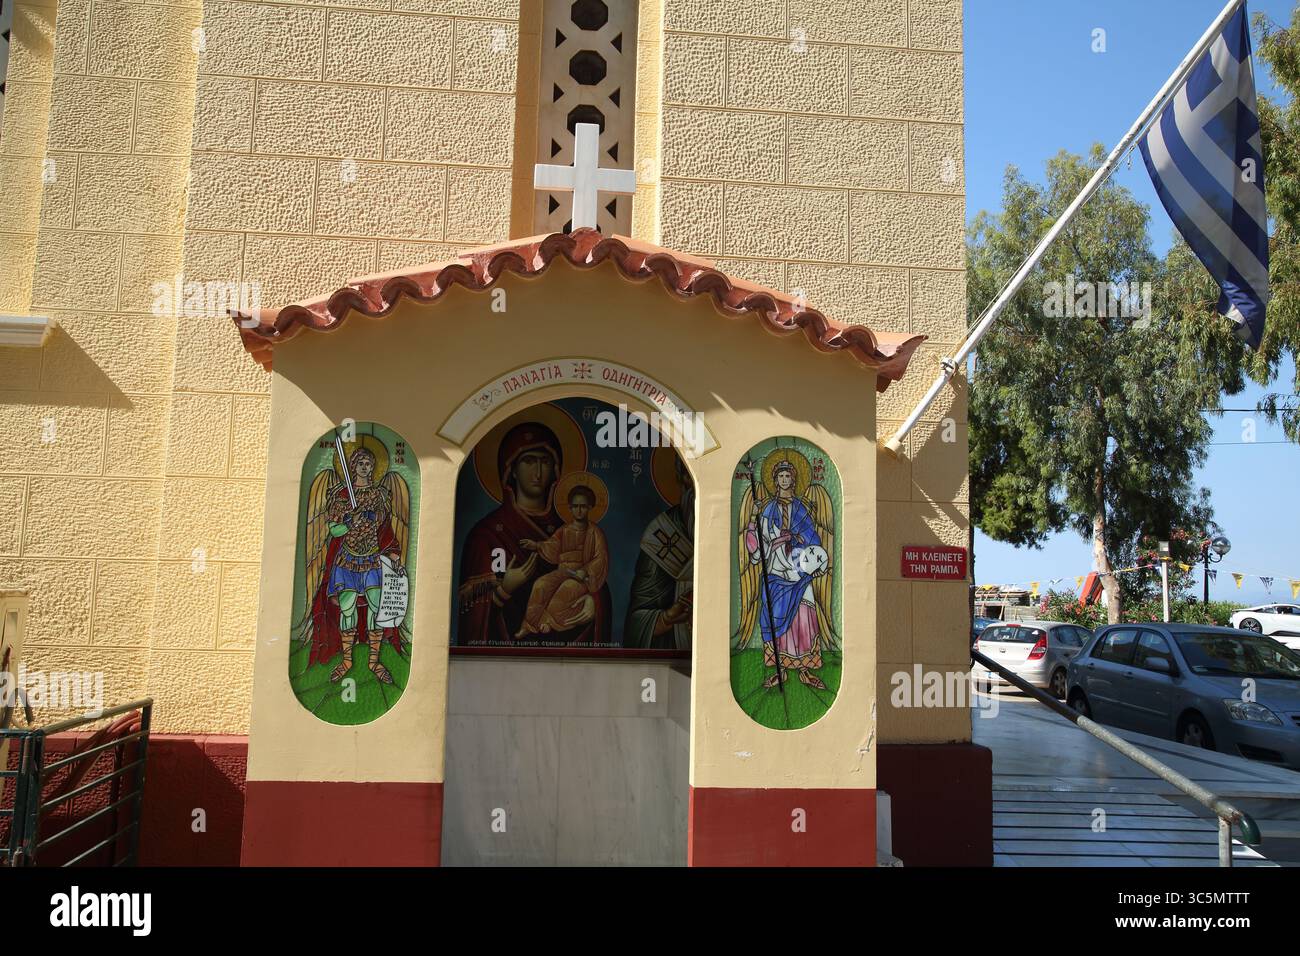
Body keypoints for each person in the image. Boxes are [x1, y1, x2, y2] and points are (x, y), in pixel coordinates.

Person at [456, 420, 611, 644]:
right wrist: (503, 591)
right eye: (529, 461)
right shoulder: (486, 535)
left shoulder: (571, 527)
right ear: (512, 470)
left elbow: (598, 571)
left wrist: (594, 602)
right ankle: (530, 624)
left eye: (545, 462)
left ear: (555, 471)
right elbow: (470, 618)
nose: (538, 472)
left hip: (567, 647)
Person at [517, 484, 609, 636]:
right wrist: (537, 545)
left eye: (583, 506)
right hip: (563, 571)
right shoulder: (564, 530)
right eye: (575, 506)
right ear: (570, 508)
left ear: (589, 507)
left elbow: (601, 558)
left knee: (563, 593)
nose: (579, 510)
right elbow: (552, 547)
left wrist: (585, 571)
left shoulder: (595, 533)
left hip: (581, 577)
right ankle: (529, 625)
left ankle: (547, 622)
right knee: (540, 585)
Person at [624, 455, 693, 650]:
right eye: (689, 476)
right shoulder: (661, 534)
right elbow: (637, 621)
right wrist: (666, 618)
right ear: (681, 479)